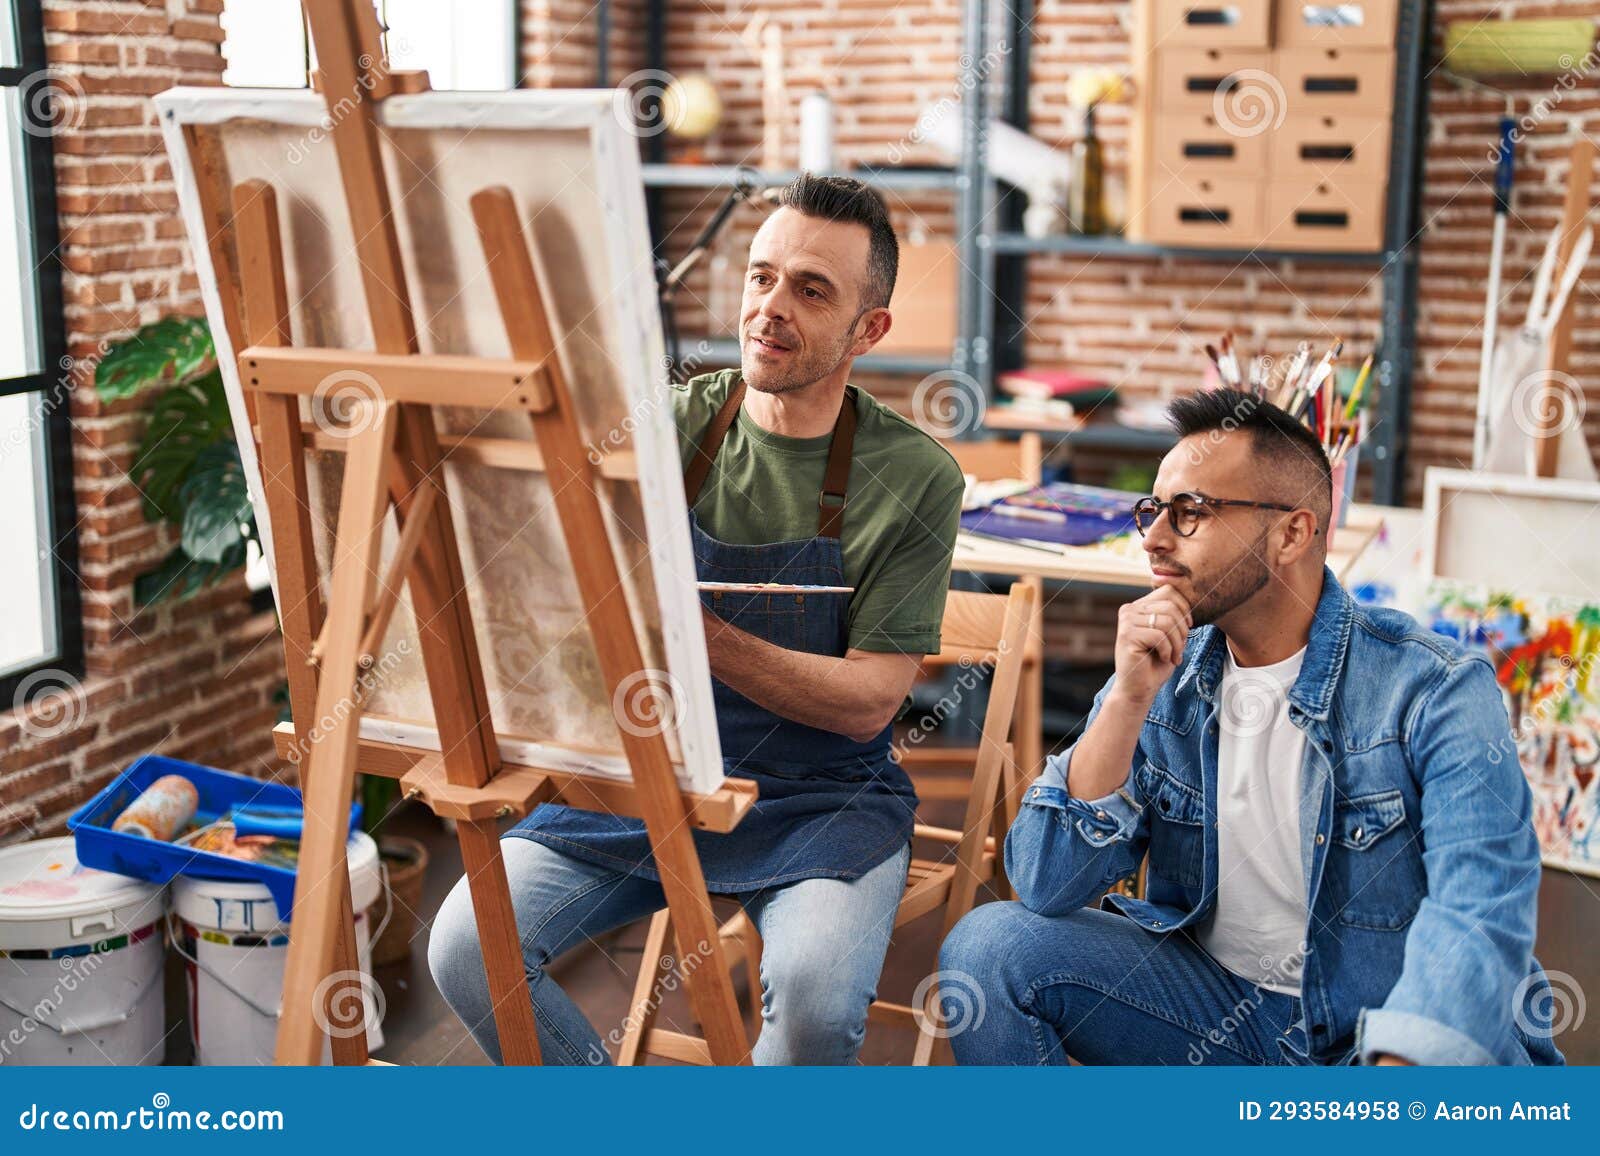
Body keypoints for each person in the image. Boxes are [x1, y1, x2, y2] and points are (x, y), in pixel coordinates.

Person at [429, 173, 965, 1064]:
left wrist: (688, 627)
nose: (771, 307)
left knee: (821, 1006)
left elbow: (870, 702)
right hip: (649, 776)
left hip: (817, 801)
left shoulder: (913, 477)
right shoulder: (662, 425)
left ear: (869, 330)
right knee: (463, 950)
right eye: (761, 277)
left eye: (811, 289)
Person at [940, 388, 1564, 1066]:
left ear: (1292, 532)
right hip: (1218, 1015)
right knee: (990, 951)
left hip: (1380, 1033)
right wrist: (1126, 700)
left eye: (1190, 513)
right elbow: (1045, 882)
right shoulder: (1166, 676)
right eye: (1153, 511)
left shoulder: (1433, 688)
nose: (1151, 537)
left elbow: (1481, 910)